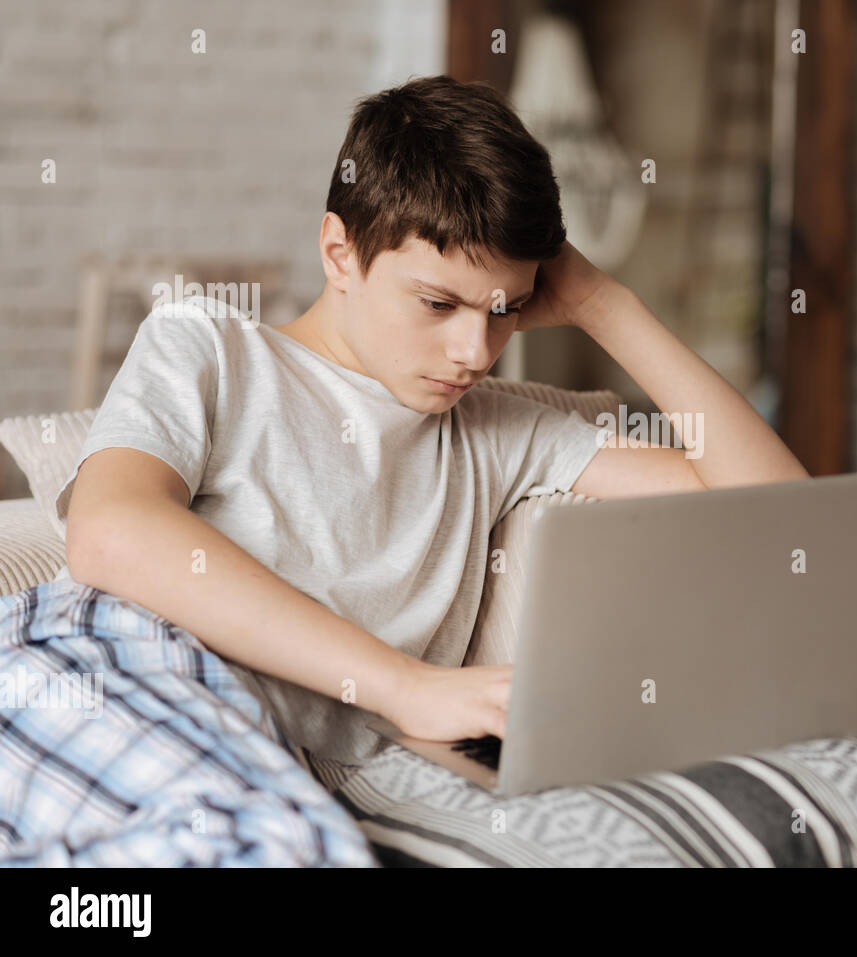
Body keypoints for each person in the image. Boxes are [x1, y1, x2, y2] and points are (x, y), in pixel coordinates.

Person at [57, 75, 808, 766]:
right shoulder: (211, 346)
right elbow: (110, 531)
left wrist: (602, 304)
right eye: (439, 303)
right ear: (339, 252)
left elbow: (781, 511)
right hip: (113, 683)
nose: (475, 351)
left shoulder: (500, 431)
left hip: (250, 772)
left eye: (505, 310)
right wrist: (404, 685)